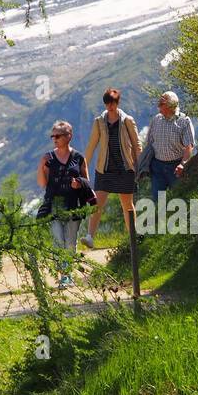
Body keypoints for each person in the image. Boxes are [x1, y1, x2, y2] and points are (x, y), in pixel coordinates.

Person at [36, 121, 90, 287]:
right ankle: (63, 276)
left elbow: (87, 181)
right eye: (53, 136)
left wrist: (79, 183)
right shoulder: (49, 158)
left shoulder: (79, 158)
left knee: (70, 242)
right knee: (58, 241)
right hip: (54, 206)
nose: (54, 139)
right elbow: (41, 183)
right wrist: (41, 165)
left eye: (58, 135)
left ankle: (67, 275)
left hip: (74, 206)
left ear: (69, 136)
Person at [84, 88, 141, 244]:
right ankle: (90, 237)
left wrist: (139, 166)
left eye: (113, 102)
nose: (110, 106)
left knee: (127, 204)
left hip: (125, 168)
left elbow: (137, 145)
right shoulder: (99, 122)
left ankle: (132, 238)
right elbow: (91, 145)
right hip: (105, 169)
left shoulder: (127, 120)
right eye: (108, 103)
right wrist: (83, 167)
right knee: (97, 203)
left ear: (117, 102)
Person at [144, 91, 195, 206]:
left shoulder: (184, 121)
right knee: (158, 201)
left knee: (179, 198)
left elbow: (189, 146)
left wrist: (183, 164)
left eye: (161, 103)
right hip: (157, 167)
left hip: (176, 167)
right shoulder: (157, 119)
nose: (158, 106)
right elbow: (149, 142)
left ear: (171, 106)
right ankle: (160, 222)